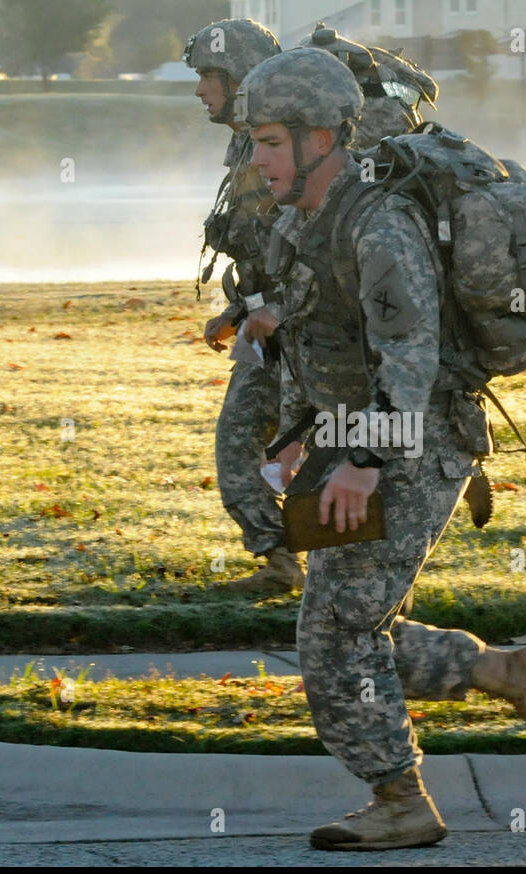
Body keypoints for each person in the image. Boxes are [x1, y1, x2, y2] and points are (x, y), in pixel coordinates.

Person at [237, 47, 526, 852]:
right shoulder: (301, 218)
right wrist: (293, 437)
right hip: (356, 436)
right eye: (255, 141)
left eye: (271, 141)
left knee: (338, 634)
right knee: (354, 623)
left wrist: (362, 461)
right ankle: (511, 674)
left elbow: (409, 356)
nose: (257, 157)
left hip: (414, 442)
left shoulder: (379, 223)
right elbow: (313, 336)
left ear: (322, 137)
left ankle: (402, 802)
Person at [182, 18, 302, 595]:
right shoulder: (249, 140)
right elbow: (261, 243)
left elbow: (317, 246)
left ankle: (326, 573)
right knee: (241, 445)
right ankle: (283, 564)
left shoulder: (289, 142)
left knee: (328, 447)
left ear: (241, 76)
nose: (201, 90)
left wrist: (276, 309)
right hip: (269, 327)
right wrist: (238, 308)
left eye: (209, 76)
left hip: (307, 330)